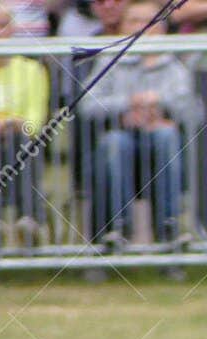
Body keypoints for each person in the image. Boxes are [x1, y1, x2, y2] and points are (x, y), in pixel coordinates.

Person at [82, 0, 198, 247]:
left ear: (162, 28)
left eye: (150, 21)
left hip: (160, 142)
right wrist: (126, 105)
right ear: (122, 27)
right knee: (114, 142)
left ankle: (169, 228)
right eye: (134, 21)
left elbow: (193, 111)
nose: (142, 27)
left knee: (166, 136)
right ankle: (117, 229)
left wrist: (162, 106)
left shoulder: (174, 65)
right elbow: (87, 105)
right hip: (121, 135)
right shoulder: (109, 61)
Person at [0, 0, 50, 246]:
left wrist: (16, 124)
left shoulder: (32, 70)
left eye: (2, 25)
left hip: (21, 138)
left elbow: (36, 122)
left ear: (12, 29)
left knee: (22, 140)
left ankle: (29, 220)